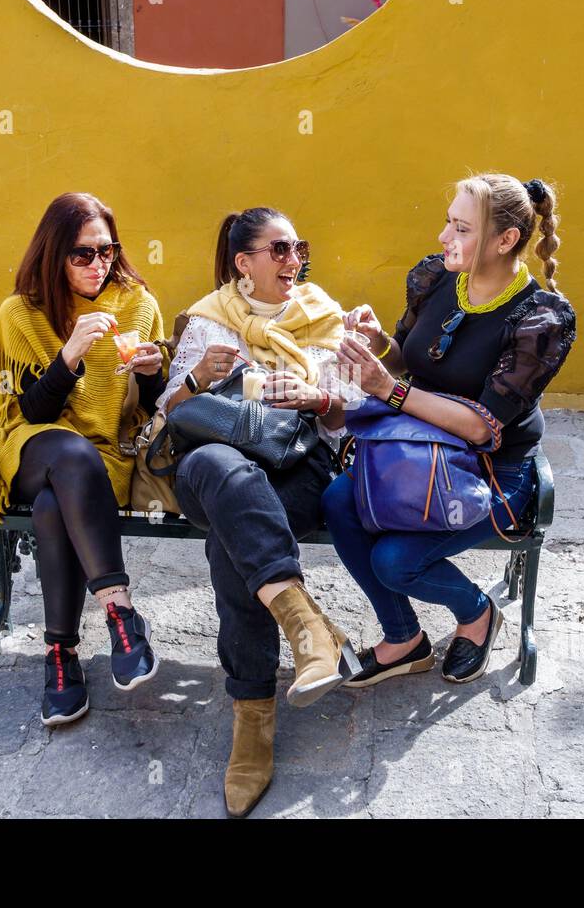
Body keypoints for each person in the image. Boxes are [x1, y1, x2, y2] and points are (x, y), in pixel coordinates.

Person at [323, 173, 576, 686]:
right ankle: (404, 638)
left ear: (505, 241)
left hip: (491, 472)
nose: (444, 238)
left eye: (461, 228)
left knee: (395, 560)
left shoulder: (542, 318)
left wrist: (386, 390)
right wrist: (378, 346)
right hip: (413, 451)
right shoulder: (434, 278)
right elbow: (405, 361)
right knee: (337, 501)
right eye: (448, 223)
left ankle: (478, 613)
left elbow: (482, 427)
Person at [158, 206, 356, 817]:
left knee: (232, 541)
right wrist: (196, 375)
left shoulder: (326, 315)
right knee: (222, 469)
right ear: (243, 263)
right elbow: (168, 411)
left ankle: (253, 721)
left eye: (299, 247)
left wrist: (318, 394)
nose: (293, 261)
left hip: (296, 470)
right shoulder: (208, 320)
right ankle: (306, 628)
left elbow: (349, 412)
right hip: (206, 469)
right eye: (278, 250)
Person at [0, 192, 168, 726]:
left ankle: (60, 655)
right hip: (32, 444)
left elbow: (154, 405)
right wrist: (69, 357)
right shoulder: (20, 313)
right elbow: (32, 410)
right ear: (54, 253)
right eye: (82, 255)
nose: (98, 265)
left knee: (52, 505)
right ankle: (120, 612)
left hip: (103, 454)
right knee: (66, 452)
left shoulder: (136, 303)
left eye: (107, 251)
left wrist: (154, 370)